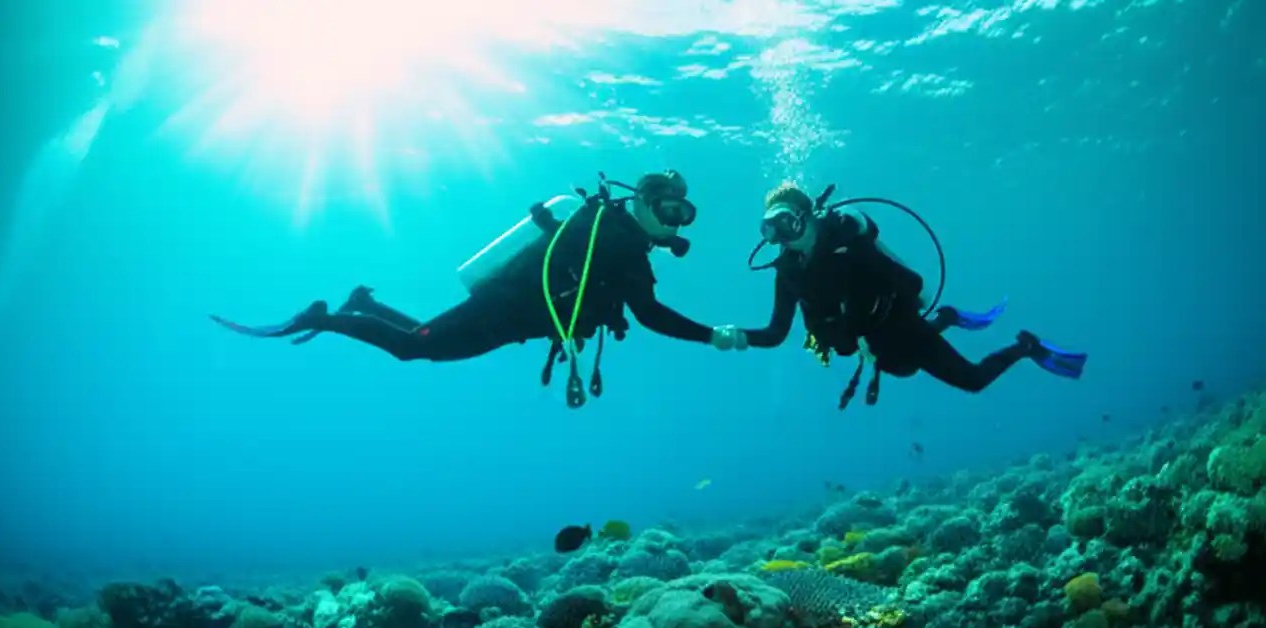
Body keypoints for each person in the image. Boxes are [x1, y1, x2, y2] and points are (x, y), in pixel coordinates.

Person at [211, 170, 749, 407]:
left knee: (427, 342)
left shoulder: (612, 233)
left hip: (510, 312)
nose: (677, 223)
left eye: (685, 215)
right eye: (671, 211)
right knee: (415, 349)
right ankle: (323, 317)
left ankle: (364, 304)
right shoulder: (619, 240)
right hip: (506, 311)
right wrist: (712, 335)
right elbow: (650, 314)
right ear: (645, 204)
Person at [740, 181, 1086, 407]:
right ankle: (947, 317)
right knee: (904, 368)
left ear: (808, 217)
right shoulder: (789, 272)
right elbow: (775, 333)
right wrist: (724, 335)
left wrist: (882, 310)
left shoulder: (850, 246)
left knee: (973, 380)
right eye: (771, 231)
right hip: (872, 346)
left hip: (901, 327)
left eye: (787, 225)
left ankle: (1027, 346)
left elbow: (912, 283)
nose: (782, 239)